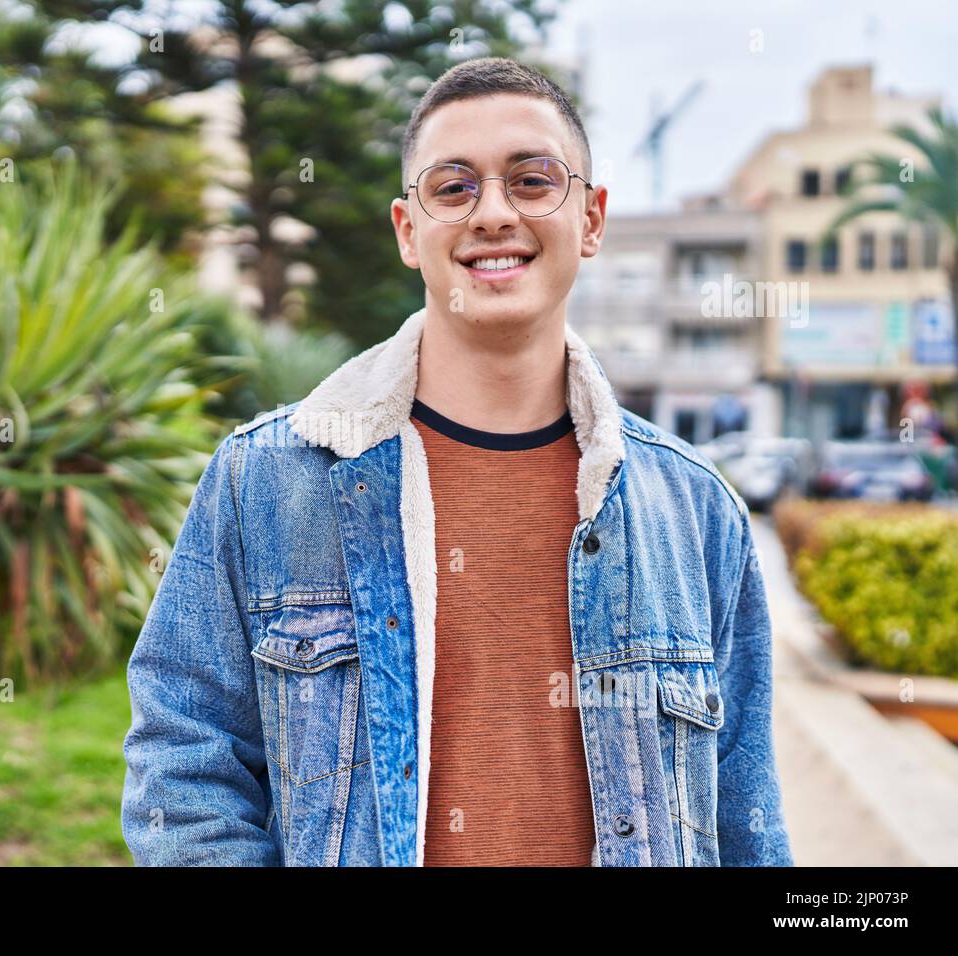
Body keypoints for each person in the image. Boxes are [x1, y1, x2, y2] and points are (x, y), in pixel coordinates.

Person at [121, 56, 794, 867]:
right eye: (454, 187)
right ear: (410, 231)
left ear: (592, 218)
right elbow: (183, 773)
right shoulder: (262, 483)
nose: (493, 214)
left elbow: (747, 823)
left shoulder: (696, 511)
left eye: (533, 180)